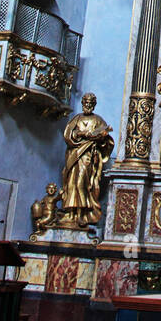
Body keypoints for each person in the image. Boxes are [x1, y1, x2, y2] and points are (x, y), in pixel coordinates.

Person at [58, 93, 114, 230]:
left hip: (88, 156)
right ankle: (70, 214)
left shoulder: (98, 121)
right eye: (85, 103)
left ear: (94, 105)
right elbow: (68, 135)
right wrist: (81, 134)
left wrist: (99, 137)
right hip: (74, 155)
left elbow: (105, 141)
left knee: (82, 183)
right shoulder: (76, 119)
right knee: (70, 183)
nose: (87, 106)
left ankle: (82, 214)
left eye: (90, 103)